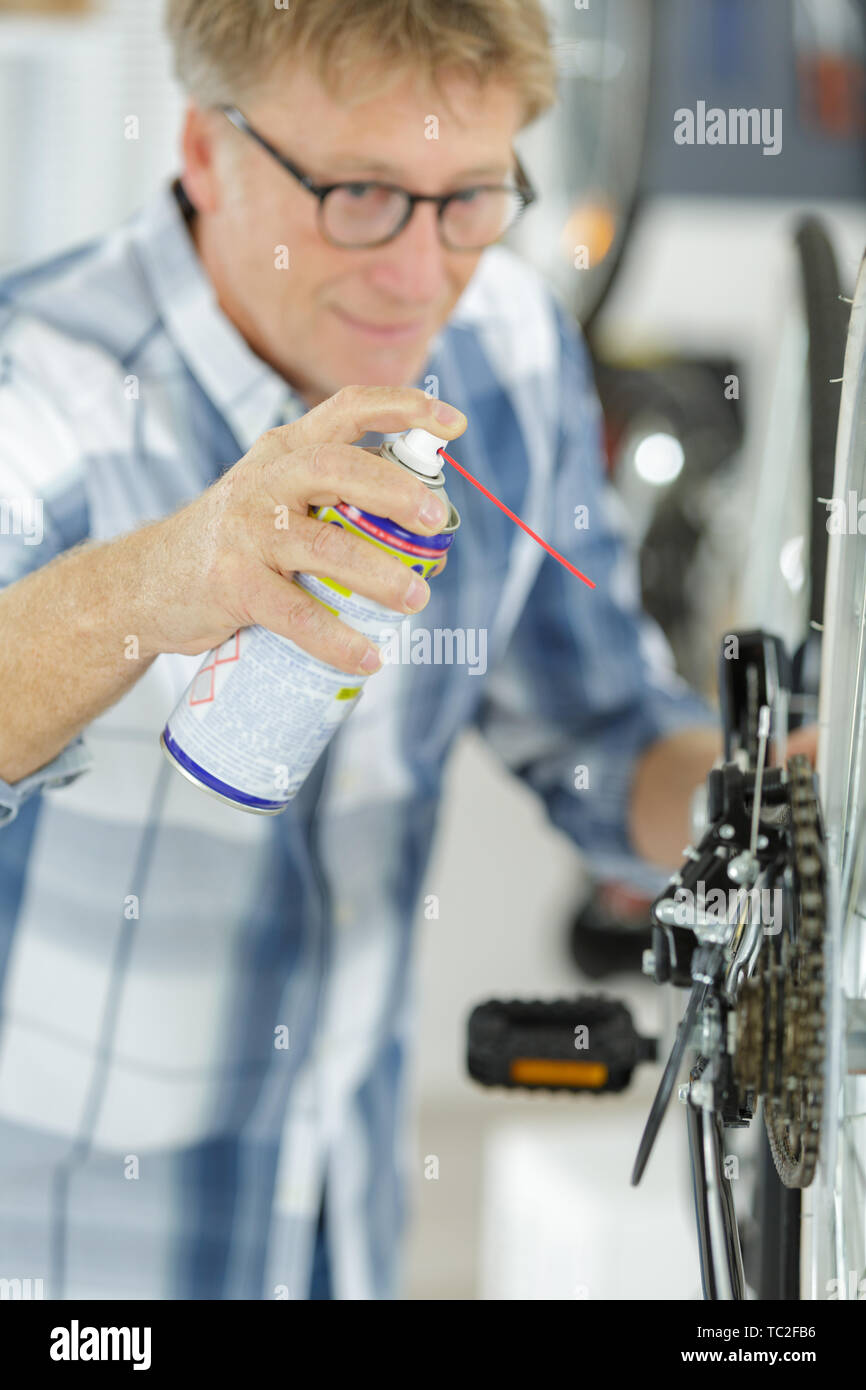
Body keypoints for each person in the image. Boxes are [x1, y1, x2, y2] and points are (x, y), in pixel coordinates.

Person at [0, 0, 761, 1300]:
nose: (420, 276)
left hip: (338, 1232)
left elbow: (597, 726)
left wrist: (760, 809)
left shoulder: (505, 353)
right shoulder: (41, 390)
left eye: (470, 199)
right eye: (358, 194)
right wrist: (159, 577)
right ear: (204, 149)